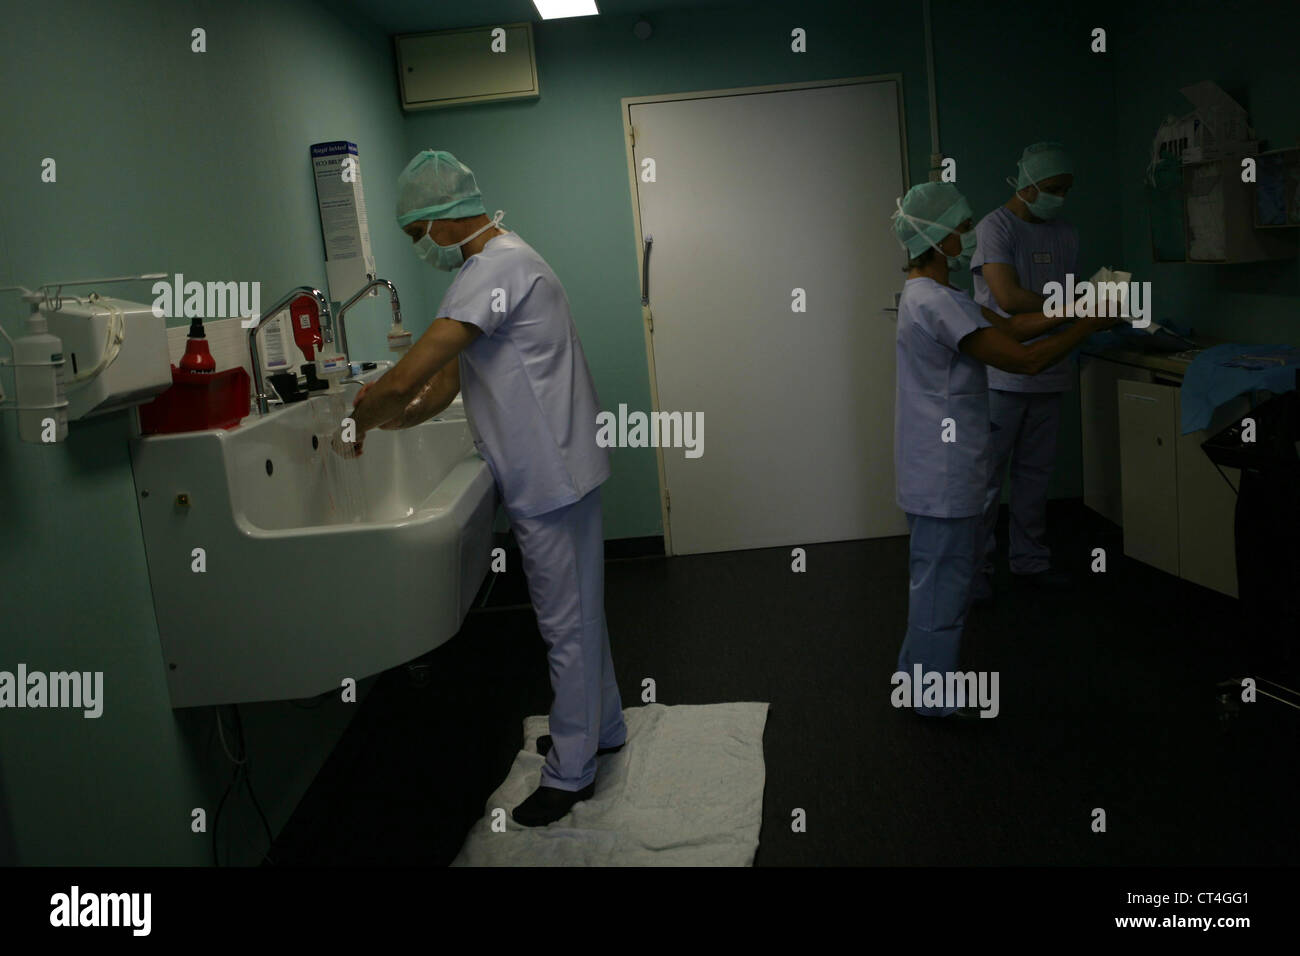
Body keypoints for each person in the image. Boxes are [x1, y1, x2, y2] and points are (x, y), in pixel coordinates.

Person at [341, 150, 627, 825]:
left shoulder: (495, 268)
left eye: (417, 234)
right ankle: (601, 728)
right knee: (581, 614)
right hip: (559, 469)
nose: (421, 248)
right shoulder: (505, 260)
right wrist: (395, 413)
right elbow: (449, 380)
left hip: (550, 475)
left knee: (565, 625)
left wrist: (364, 414)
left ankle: (571, 773)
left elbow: (417, 372)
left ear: (439, 222)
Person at [891, 182, 1114, 717]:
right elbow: (1025, 359)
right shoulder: (935, 303)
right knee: (943, 586)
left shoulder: (937, 297)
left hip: (940, 467)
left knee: (938, 580)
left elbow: (1015, 324)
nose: (970, 239)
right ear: (941, 239)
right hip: (941, 472)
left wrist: (1079, 304)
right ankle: (931, 698)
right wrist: (1092, 323)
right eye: (963, 229)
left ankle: (915, 680)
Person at [969, 143, 1079, 601]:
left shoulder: (1066, 233)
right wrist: (1080, 306)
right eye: (1053, 189)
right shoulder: (995, 228)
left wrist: (1084, 304)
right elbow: (1009, 299)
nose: (1059, 198)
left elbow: (1068, 298)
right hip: (1002, 375)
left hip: (1050, 367)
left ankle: (1030, 561)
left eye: (1065, 191)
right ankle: (974, 569)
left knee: (1036, 474)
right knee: (987, 476)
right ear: (1028, 185)